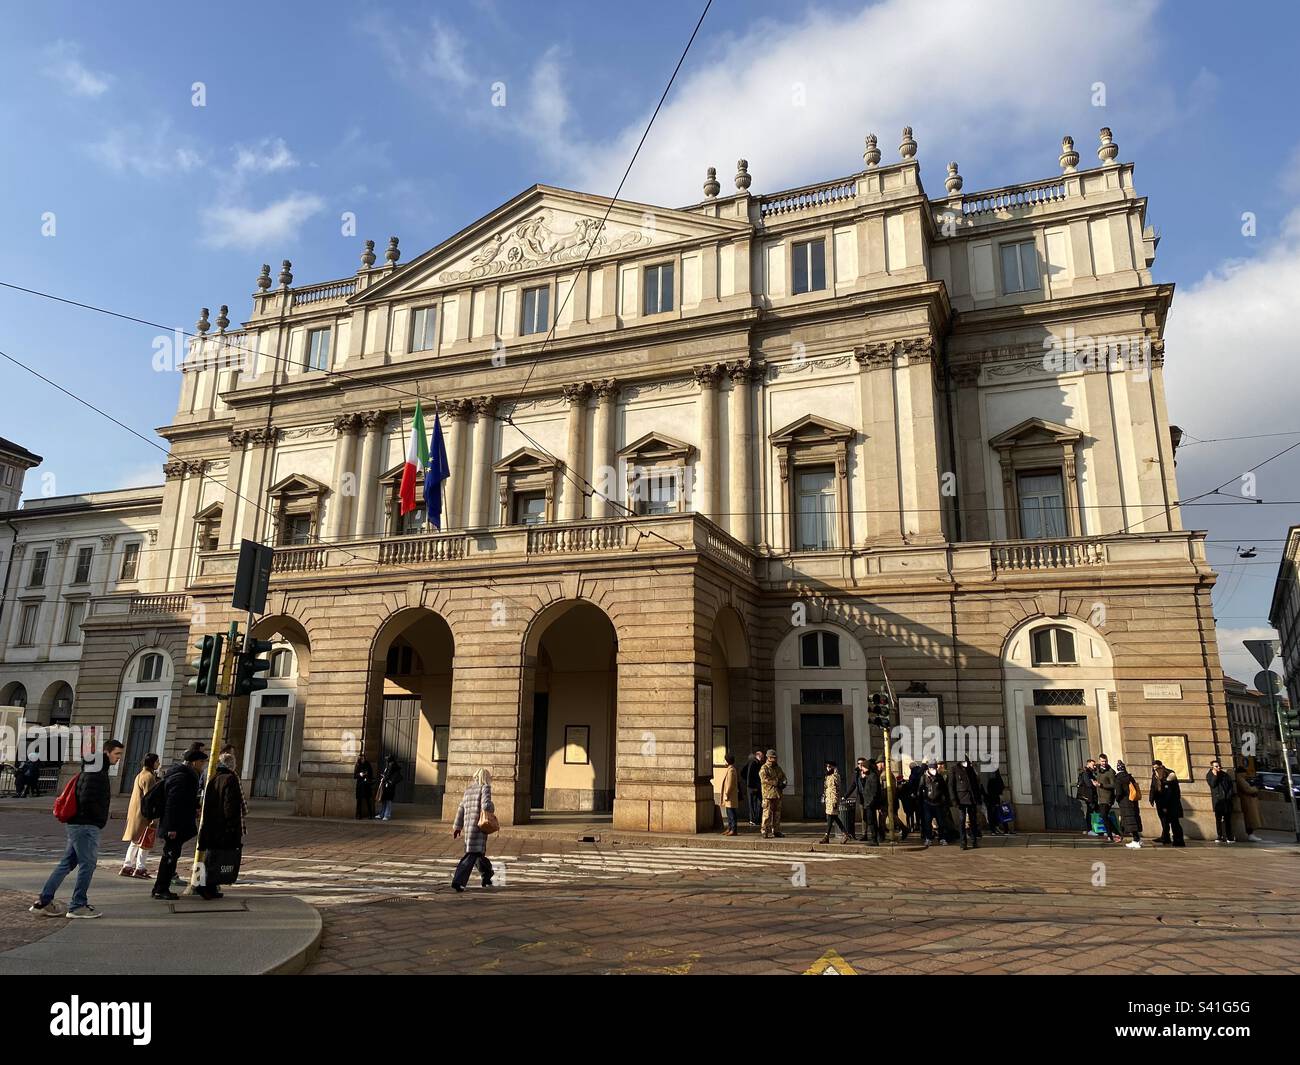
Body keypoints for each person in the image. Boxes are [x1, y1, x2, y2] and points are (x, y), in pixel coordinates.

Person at [29, 739, 124, 919]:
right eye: (116, 754)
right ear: (106, 753)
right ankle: (77, 905)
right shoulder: (97, 773)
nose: (119, 758)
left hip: (79, 824)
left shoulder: (91, 769)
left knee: (67, 863)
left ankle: (43, 901)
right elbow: (88, 799)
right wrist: (98, 819)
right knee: (87, 865)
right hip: (86, 825)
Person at [153, 747, 207, 901]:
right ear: (195, 762)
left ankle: (159, 887)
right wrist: (172, 828)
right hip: (174, 825)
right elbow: (173, 803)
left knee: (171, 856)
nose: (203, 766)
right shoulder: (182, 777)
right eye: (202, 762)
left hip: (177, 823)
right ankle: (161, 889)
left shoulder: (185, 775)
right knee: (169, 857)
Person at [196, 750, 247, 900]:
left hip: (211, 824)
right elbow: (230, 805)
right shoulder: (230, 779)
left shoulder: (214, 777)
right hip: (222, 826)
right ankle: (205, 886)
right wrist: (232, 826)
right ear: (232, 766)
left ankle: (209, 887)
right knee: (216, 858)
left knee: (212, 856)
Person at [451, 767, 496, 892]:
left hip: (468, 827)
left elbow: (461, 808)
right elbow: (486, 805)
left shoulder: (468, 790)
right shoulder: (485, 788)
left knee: (478, 854)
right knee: (472, 855)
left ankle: (487, 875)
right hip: (479, 827)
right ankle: (458, 881)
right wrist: (492, 806)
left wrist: (457, 827)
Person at [120, 753, 160, 879]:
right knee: (145, 842)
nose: (159, 764)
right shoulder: (149, 777)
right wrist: (153, 817)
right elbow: (150, 798)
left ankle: (127, 866)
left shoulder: (140, 775)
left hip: (136, 812)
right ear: (152, 763)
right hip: (144, 814)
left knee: (135, 841)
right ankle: (140, 868)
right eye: (157, 761)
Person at [846, 757, 881, 844]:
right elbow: (856, 785)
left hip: (869, 802)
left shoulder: (872, 776)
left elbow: (874, 791)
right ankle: (873, 838)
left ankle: (875, 839)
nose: (861, 767)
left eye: (863, 766)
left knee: (871, 821)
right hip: (865, 801)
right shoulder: (862, 775)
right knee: (868, 820)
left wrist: (871, 802)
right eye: (859, 764)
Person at [818, 761, 852, 844]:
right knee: (834, 818)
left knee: (831, 818)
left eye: (830, 766)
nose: (828, 768)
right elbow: (826, 788)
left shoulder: (835, 776)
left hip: (833, 800)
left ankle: (827, 836)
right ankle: (845, 834)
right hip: (828, 800)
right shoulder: (828, 776)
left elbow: (836, 790)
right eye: (827, 766)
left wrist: (835, 801)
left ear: (834, 767)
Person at [952, 756, 983, 849]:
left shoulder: (971, 769)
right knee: (962, 821)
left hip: (972, 798)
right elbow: (951, 785)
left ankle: (974, 841)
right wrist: (954, 799)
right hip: (961, 799)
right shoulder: (954, 769)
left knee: (973, 821)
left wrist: (978, 798)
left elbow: (976, 784)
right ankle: (963, 842)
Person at [921, 761, 951, 847]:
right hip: (927, 803)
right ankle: (928, 838)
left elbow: (945, 790)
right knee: (927, 822)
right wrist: (921, 801)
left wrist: (947, 801)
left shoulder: (940, 777)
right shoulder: (924, 778)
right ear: (929, 769)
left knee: (941, 822)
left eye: (935, 768)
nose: (934, 770)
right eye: (932, 768)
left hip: (938, 803)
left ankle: (942, 838)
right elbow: (920, 789)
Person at [1113, 759, 1143, 849]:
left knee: (1130, 821)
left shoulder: (1118, 778)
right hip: (1133, 801)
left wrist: (1117, 799)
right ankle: (1137, 839)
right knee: (1134, 820)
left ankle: (1136, 840)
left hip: (1125, 802)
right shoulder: (1130, 777)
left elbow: (1118, 792)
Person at [759, 749, 786, 839]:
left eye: (775, 758)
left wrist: (783, 783)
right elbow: (764, 779)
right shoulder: (764, 768)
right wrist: (776, 782)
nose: (775, 759)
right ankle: (764, 830)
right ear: (769, 758)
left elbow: (783, 777)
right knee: (767, 814)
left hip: (777, 794)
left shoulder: (778, 768)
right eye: (773, 758)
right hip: (768, 794)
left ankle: (776, 830)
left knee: (777, 814)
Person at [1206, 760, 1235, 843]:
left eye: (1219, 766)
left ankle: (1230, 836)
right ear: (1212, 767)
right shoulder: (1210, 775)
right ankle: (1220, 836)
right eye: (1216, 766)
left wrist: (1229, 796)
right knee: (1218, 820)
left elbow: (1230, 787)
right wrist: (1215, 776)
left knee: (1228, 820)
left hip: (1226, 800)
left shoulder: (1225, 775)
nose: (1218, 768)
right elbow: (1212, 784)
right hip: (1218, 801)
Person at [1234, 762, 1264, 842]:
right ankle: (1250, 834)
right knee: (1250, 819)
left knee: (1250, 819)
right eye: (1244, 772)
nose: (1246, 774)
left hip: (1247, 801)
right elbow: (1247, 789)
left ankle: (1251, 834)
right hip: (1247, 801)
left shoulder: (1240, 779)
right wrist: (1255, 788)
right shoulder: (1240, 779)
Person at [1093, 754, 1119, 843]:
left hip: (1108, 797)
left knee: (1104, 815)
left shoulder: (1110, 771)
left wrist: (1101, 785)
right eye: (1102, 761)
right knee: (1104, 816)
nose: (1104, 763)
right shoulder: (1098, 770)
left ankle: (1113, 834)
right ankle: (1112, 834)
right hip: (1100, 797)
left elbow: (1113, 785)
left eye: (1105, 761)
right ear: (1099, 761)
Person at [1160, 770, 1186, 847]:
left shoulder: (1168, 784)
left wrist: (1164, 806)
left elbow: (1168, 796)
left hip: (1171, 808)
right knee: (1176, 824)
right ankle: (1178, 840)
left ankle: (1178, 840)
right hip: (1175, 807)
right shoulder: (1174, 784)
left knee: (1175, 825)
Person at [1149, 760, 1172, 844]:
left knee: (1166, 819)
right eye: (1153, 768)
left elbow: (1170, 788)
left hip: (1166, 800)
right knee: (1162, 818)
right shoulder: (1154, 774)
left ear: (1161, 766)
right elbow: (1152, 787)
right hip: (1158, 800)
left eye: (1156, 768)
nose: (1155, 769)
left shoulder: (1168, 773)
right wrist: (1151, 798)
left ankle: (1166, 837)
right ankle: (1165, 835)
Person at [375, 755, 402, 821]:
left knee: (388, 801)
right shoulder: (389, 765)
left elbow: (389, 775)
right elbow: (387, 774)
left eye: (387, 760)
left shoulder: (393, 766)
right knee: (384, 800)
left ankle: (387, 815)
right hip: (386, 785)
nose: (386, 761)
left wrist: (385, 778)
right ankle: (382, 814)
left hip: (390, 785)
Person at [743, 749, 765, 827]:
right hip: (752, 787)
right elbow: (748, 775)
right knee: (753, 803)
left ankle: (756, 819)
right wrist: (751, 785)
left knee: (757, 803)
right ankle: (753, 819)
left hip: (755, 786)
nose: (762, 758)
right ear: (757, 756)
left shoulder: (756, 763)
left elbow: (743, 773)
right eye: (761, 756)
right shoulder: (753, 763)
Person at [1076, 759, 1098, 835]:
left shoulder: (1091, 772)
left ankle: (1091, 829)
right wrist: (1094, 783)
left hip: (1089, 796)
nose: (1094, 766)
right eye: (1093, 765)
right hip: (1086, 796)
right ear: (1088, 764)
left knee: (1091, 812)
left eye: (1095, 765)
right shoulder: (1086, 773)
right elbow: (1088, 784)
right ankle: (1088, 829)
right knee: (1088, 812)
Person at [720, 753, 740, 836]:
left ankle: (733, 829)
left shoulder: (731, 770)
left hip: (730, 796)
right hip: (729, 796)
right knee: (729, 812)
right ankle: (729, 828)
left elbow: (730, 784)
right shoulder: (729, 769)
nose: (724, 761)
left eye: (725, 759)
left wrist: (726, 794)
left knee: (731, 813)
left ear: (727, 761)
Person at [984, 768, 1007, 836]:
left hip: (994, 794)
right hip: (989, 794)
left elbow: (999, 781)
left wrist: (1000, 792)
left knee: (995, 811)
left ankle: (996, 827)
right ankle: (993, 829)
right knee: (991, 812)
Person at [354, 755, 375, 820]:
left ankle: (370, 815)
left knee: (368, 800)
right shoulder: (357, 765)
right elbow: (354, 776)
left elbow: (371, 774)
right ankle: (358, 815)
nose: (363, 760)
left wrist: (367, 775)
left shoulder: (368, 764)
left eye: (364, 759)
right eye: (362, 759)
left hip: (366, 785)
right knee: (359, 801)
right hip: (360, 785)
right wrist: (360, 774)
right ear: (359, 759)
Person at [906, 761, 925, 831]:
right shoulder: (921, 772)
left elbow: (911, 785)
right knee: (921, 811)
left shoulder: (913, 775)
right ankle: (920, 825)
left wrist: (912, 792)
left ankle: (916, 825)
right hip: (923, 795)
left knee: (914, 811)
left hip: (915, 796)